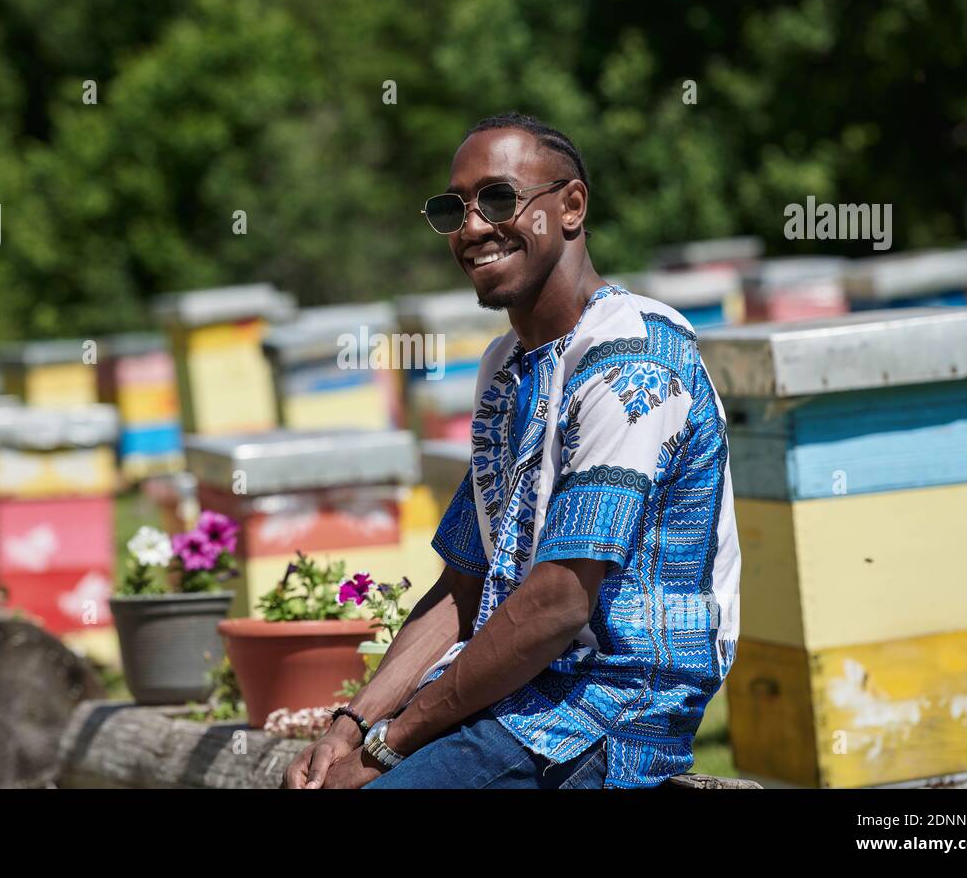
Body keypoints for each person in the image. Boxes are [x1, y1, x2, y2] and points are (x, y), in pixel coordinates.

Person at [284, 112, 741, 789]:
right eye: (453, 209)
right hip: (512, 693)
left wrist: (387, 748)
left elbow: (558, 603)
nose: (472, 227)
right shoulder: (506, 368)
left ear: (571, 206)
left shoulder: (633, 359)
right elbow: (462, 586)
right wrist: (349, 726)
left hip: (605, 712)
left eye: (499, 199)